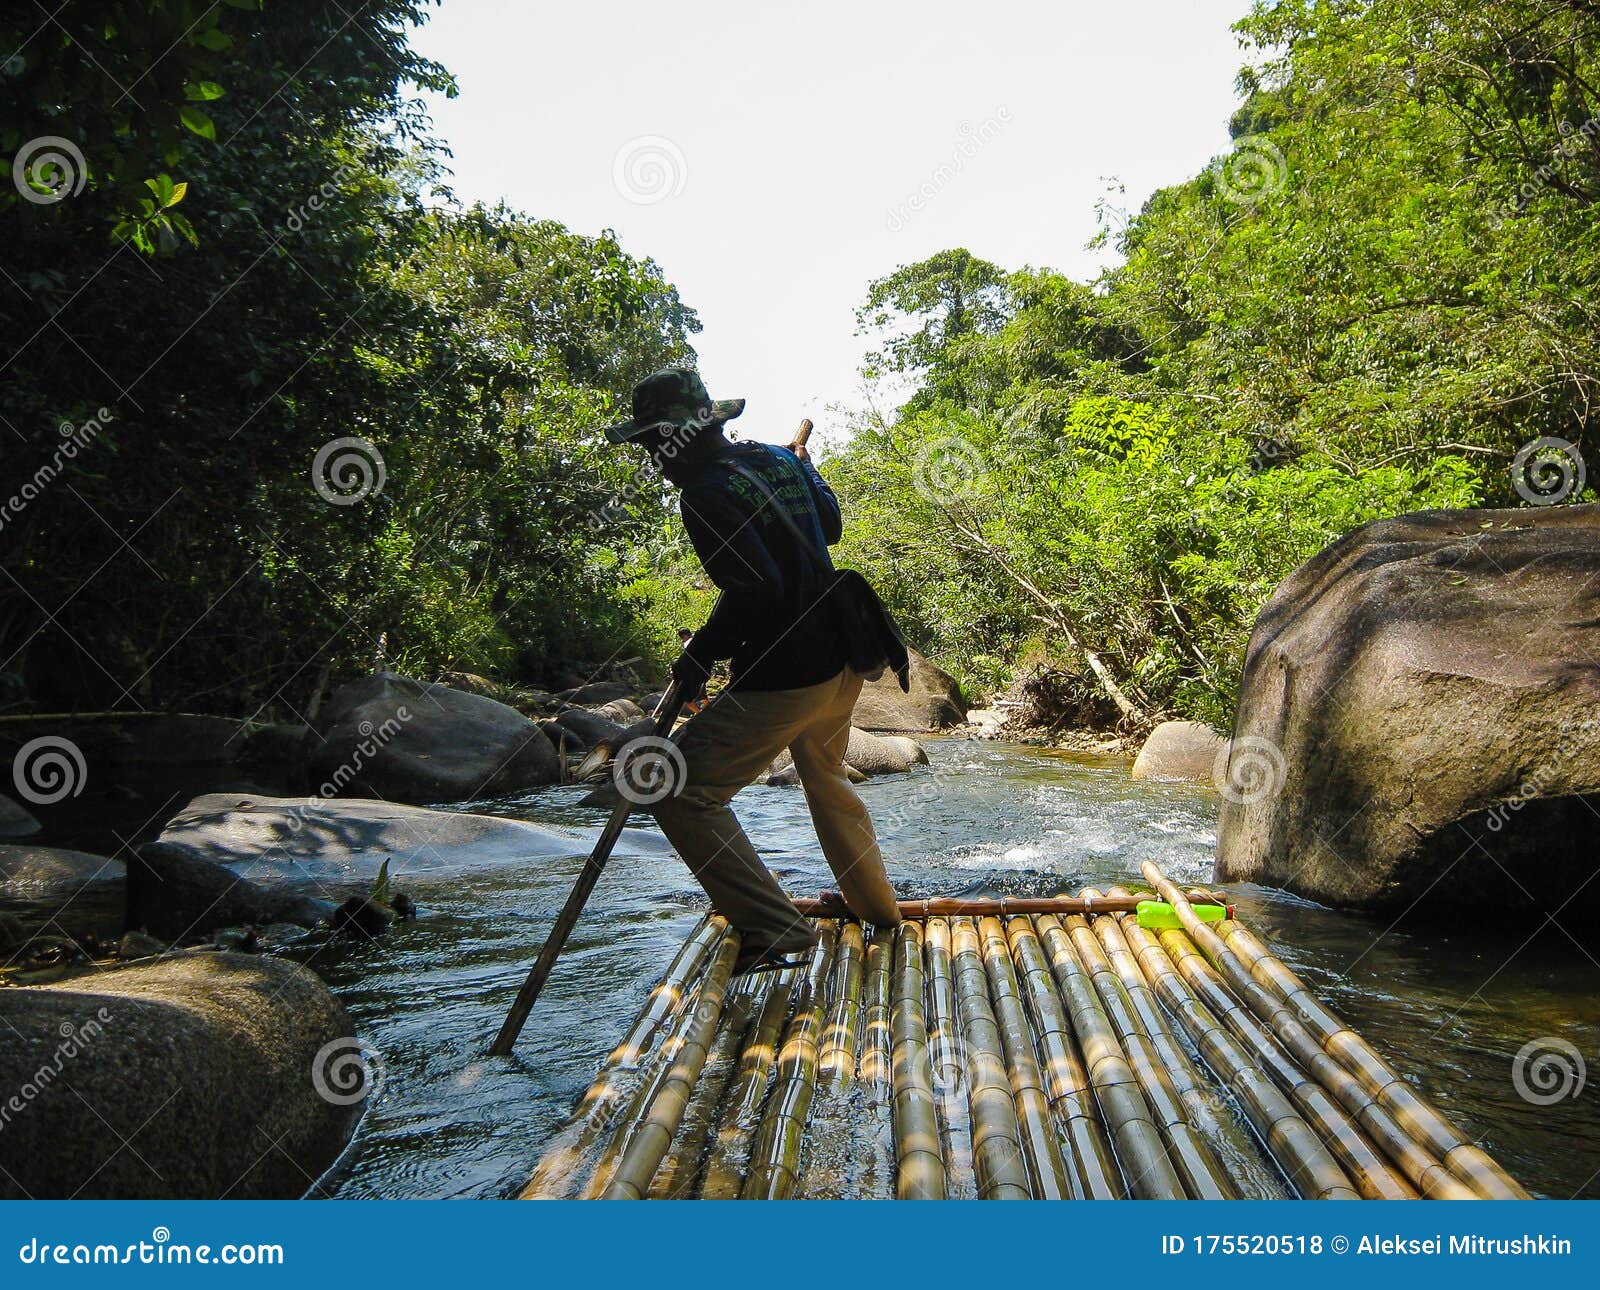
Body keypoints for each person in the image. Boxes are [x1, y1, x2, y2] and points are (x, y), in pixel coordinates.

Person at [601, 367, 902, 972]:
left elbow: (757, 588)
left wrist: (701, 652)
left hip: (789, 672)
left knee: (680, 792)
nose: (655, 459)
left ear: (677, 436)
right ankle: (879, 910)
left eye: (654, 443)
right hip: (843, 660)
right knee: (826, 777)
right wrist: (806, 467)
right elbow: (830, 526)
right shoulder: (776, 458)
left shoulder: (705, 492)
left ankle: (773, 927)